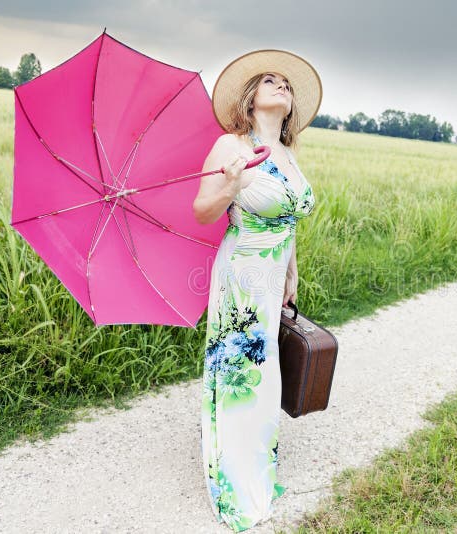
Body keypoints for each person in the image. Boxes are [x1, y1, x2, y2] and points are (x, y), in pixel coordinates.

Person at [191, 49, 321, 532]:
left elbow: (289, 220)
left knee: (265, 374)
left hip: (272, 274)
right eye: (270, 80)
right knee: (241, 372)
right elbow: (203, 211)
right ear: (251, 100)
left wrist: (291, 271)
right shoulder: (231, 146)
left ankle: (257, 465)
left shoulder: (288, 155)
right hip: (242, 273)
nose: (281, 85)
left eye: (286, 82)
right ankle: (234, 480)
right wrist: (230, 185)